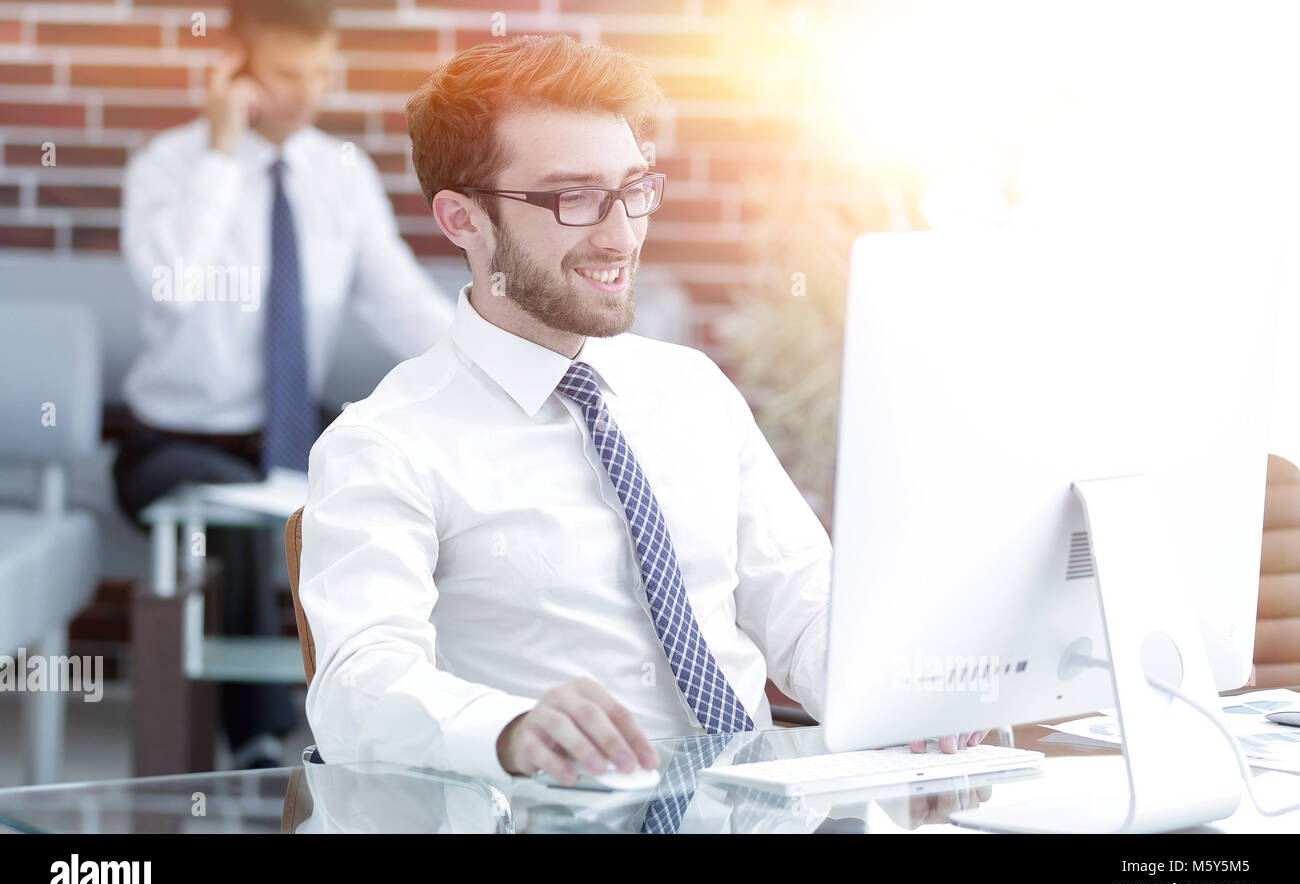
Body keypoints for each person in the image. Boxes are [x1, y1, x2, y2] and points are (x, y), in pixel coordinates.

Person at [299, 34, 986, 820]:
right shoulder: (387, 441)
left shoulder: (690, 387)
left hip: (759, 813)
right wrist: (512, 730)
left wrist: (906, 698)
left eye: (633, 190)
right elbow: (359, 689)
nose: (621, 235)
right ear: (464, 219)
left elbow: (802, 602)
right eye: (574, 199)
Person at [114, 0, 454, 770]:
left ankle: (407, 719)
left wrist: (487, 356)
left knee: (386, 478)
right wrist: (223, 155)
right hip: (173, 441)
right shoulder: (166, 168)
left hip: (293, 431)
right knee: (233, 512)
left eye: (321, 72)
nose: (308, 93)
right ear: (233, 68)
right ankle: (264, 741)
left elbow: (397, 299)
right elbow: (175, 289)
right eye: (286, 73)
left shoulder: (339, 172)